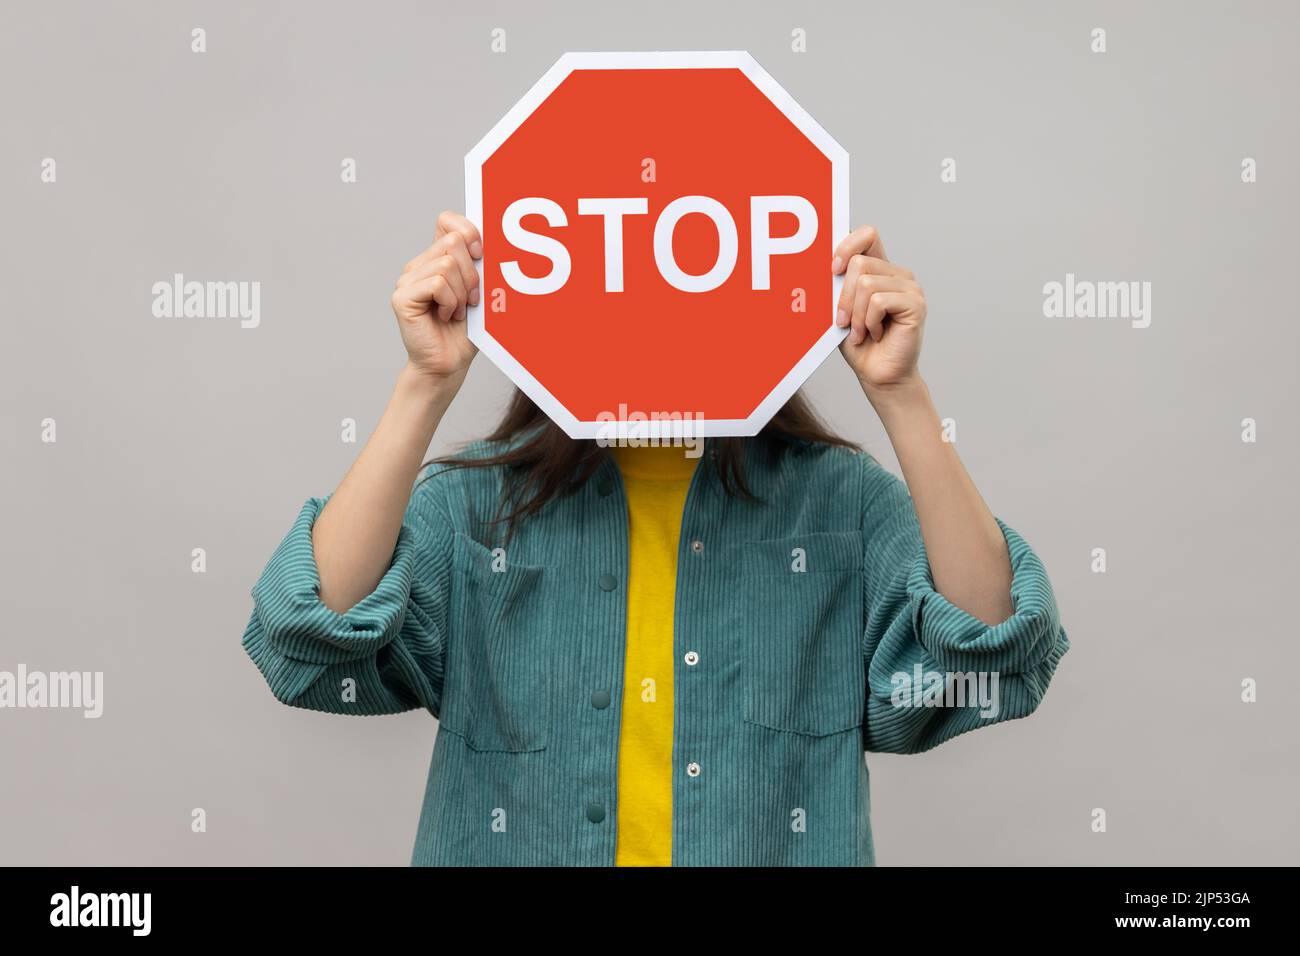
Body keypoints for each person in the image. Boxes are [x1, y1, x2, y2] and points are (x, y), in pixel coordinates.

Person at [242, 210, 1069, 866]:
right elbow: (311, 634)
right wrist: (424, 385)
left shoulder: (837, 506)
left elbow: (990, 655)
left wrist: (904, 395)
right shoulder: (479, 507)